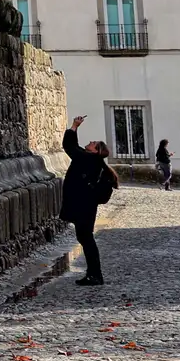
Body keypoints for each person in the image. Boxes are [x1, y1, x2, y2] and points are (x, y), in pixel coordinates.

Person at [62, 114, 119, 286]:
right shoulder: (93, 161)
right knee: (85, 238)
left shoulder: (87, 159)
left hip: (83, 207)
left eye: (94, 143)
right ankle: (93, 273)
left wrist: (74, 126)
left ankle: (95, 274)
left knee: (86, 238)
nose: (91, 141)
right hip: (87, 206)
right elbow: (75, 148)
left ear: (95, 151)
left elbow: (70, 147)